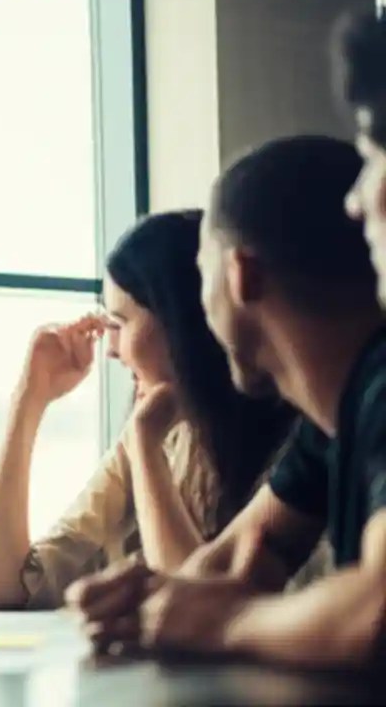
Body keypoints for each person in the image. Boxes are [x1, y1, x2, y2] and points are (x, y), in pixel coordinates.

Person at [70, 135, 386, 667]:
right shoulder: (332, 420)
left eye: (202, 273)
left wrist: (230, 621)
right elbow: (241, 555)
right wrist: (147, 603)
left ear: (242, 275)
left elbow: (375, 611)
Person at [0, 211, 298, 609]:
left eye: (119, 323)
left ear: (180, 323)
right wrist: (29, 399)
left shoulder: (291, 442)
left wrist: (144, 447)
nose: (110, 349)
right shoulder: (153, 433)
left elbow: (195, 606)